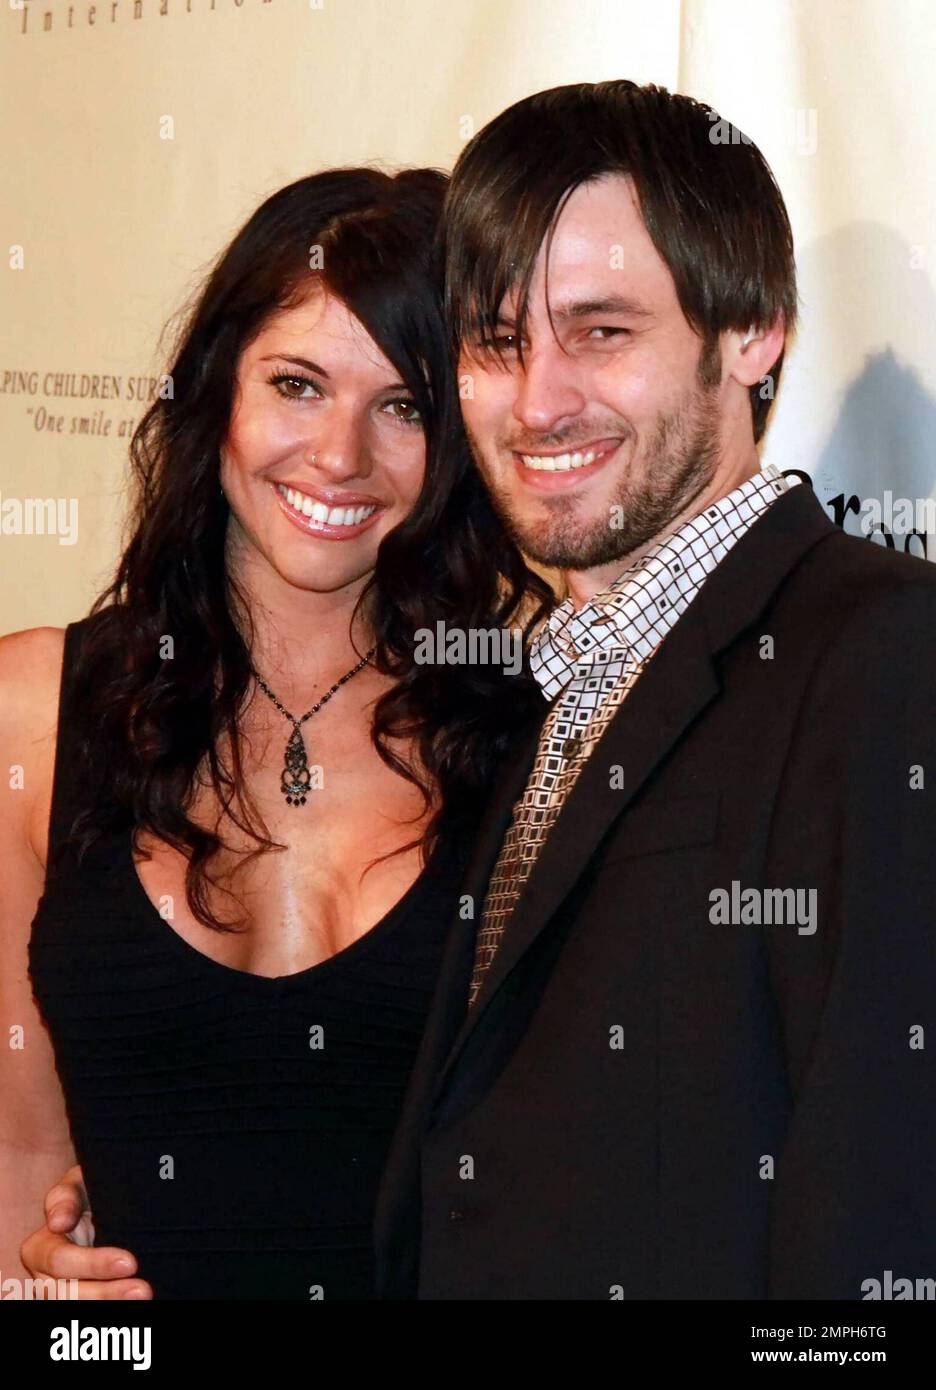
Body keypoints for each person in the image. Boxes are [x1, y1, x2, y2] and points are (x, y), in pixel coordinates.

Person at [371, 81, 936, 1299]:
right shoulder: (553, 683)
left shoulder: (889, 656)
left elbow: (888, 1203)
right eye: (498, 342)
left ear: (754, 332)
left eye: (601, 332)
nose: (538, 401)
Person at [2, 166, 549, 1299]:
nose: (340, 456)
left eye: (404, 406)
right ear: (218, 390)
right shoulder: (32, 711)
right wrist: (43, 1301)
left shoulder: (533, 736)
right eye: (297, 385)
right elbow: (19, 1159)